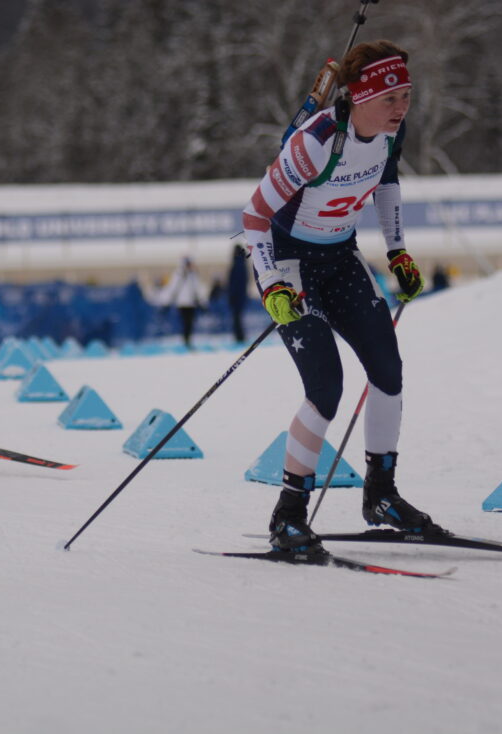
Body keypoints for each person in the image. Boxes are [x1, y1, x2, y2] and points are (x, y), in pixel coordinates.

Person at [241, 40, 442, 552]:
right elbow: (255, 216)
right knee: (326, 387)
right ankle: (288, 515)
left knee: (388, 370)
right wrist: (273, 285)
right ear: (362, 95)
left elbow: (387, 183)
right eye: (391, 97)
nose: (402, 108)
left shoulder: (390, 135)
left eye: (407, 96)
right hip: (290, 264)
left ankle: (381, 495)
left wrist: (398, 252)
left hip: (340, 258)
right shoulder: (318, 141)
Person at [153, 255, 208, 348]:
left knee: (189, 323)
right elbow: (172, 289)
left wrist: (202, 302)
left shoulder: (193, 275)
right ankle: (186, 342)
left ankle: (188, 341)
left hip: (191, 303)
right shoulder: (178, 275)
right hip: (182, 303)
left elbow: (197, 289)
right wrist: (166, 303)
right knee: (185, 323)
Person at [227, 242, 250, 343]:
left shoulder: (238, 264)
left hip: (237, 296)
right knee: (238, 317)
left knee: (237, 317)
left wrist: (232, 294)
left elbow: (235, 282)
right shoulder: (242, 263)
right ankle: (239, 336)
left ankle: (239, 336)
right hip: (240, 295)